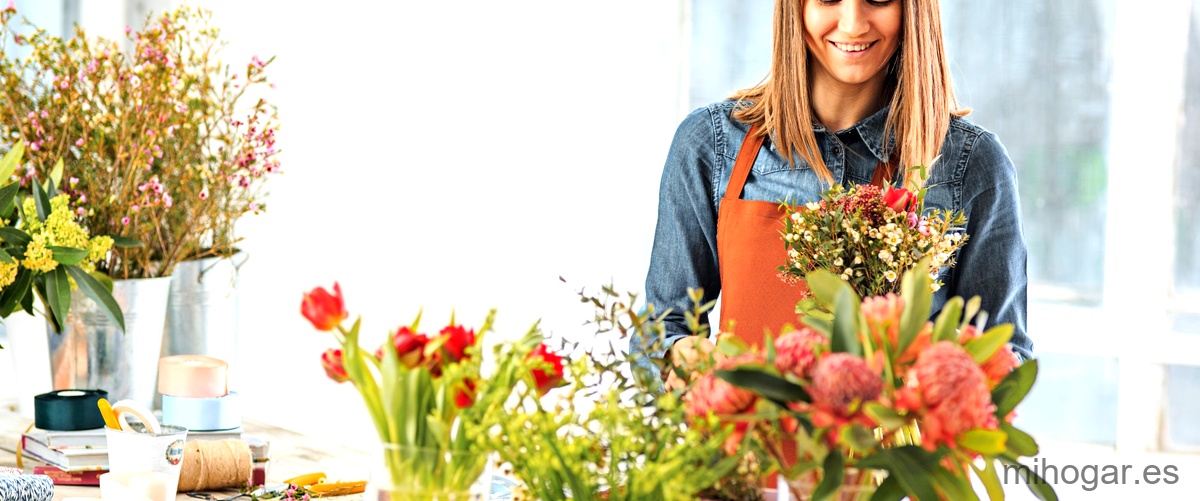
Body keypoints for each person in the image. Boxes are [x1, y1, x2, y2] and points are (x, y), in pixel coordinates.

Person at [634, 0, 1032, 389]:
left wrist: (930, 389)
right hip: (743, 452)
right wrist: (681, 355)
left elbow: (1005, 356)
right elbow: (657, 333)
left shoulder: (970, 164)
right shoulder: (712, 145)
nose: (854, 23)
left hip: (890, 455)